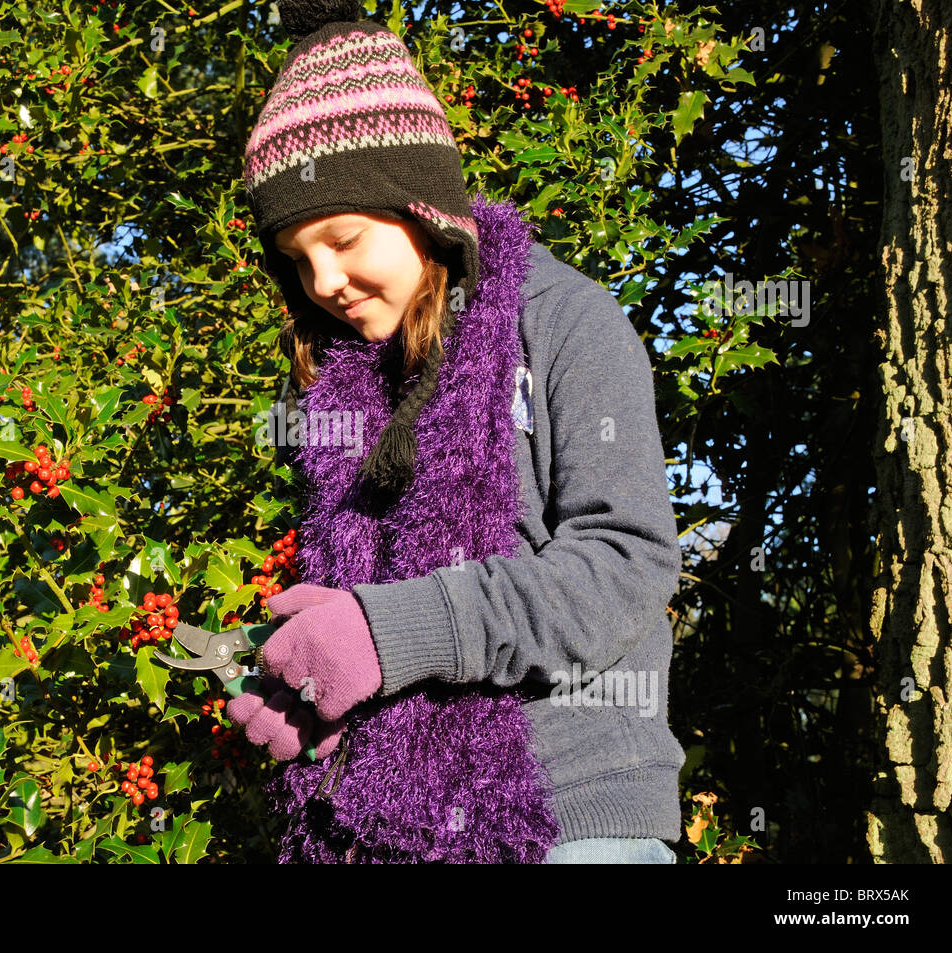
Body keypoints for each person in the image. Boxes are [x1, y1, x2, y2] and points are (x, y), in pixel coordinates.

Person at [228, 0, 684, 864]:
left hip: (570, 820)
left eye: (343, 236)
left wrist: (384, 631)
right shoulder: (342, 392)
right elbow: (371, 628)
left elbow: (626, 566)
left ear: (423, 205)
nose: (323, 279)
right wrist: (321, 687)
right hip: (395, 830)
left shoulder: (566, 324)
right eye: (295, 256)